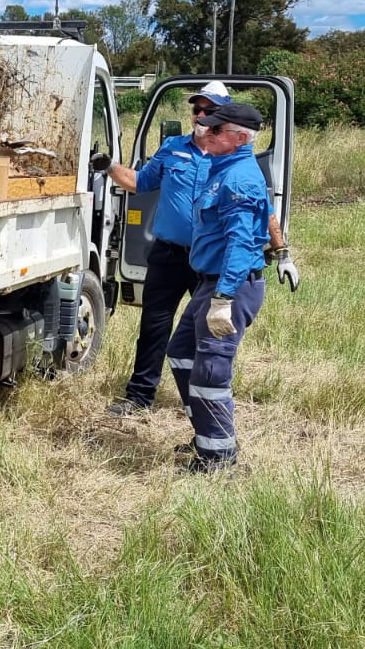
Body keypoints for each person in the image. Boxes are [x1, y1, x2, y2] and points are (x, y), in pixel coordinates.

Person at [104, 82, 299, 416]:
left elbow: (262, 209)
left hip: (210, 265)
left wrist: (281, 250)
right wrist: (109, 166)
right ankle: (140, 396)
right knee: (154, 328)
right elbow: (139, 182)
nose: (201, 115)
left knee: (208, 334)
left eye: (211, 111)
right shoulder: (172, 148)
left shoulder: (230, 160)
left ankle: (200, 400)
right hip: (168, 255)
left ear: (226, 118)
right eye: (197, 109)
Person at [165, 101, 272, 473]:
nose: (205, 132)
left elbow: (240, 243)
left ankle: (218, 458)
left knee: (211, 370)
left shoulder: (238, 178)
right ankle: (206, 433)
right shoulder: (220, 168)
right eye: (205, 126)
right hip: (209, 283)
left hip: (230, 286)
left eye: (215, 129)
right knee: (181, 353)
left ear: (241, 138)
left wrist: (224, 297)